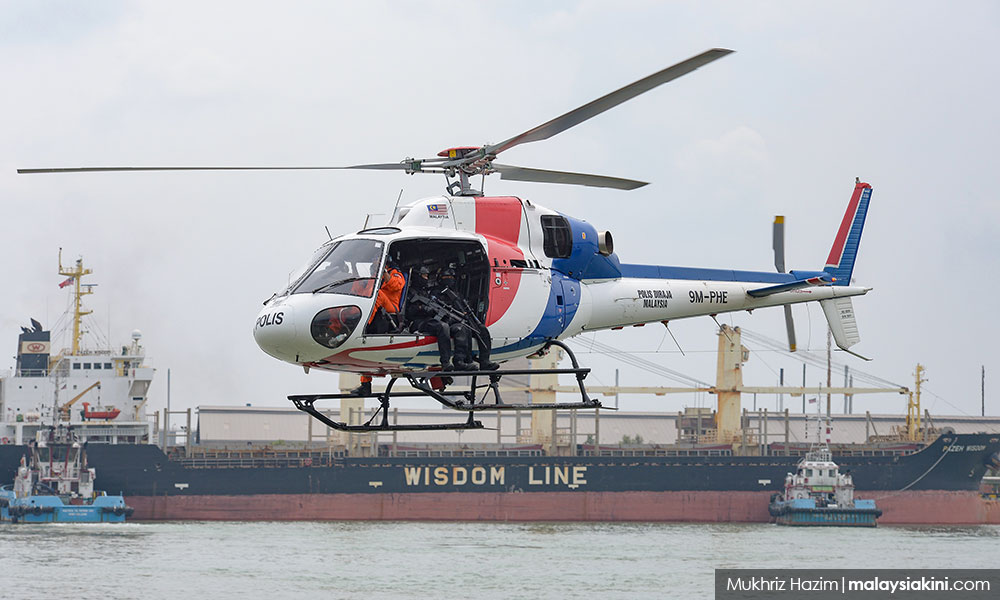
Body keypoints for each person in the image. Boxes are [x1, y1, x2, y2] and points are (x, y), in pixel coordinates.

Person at [437, 268, 499, 371]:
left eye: (451, 277)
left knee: (482, 329)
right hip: (449, 322)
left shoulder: (457, 294)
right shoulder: (436, 293)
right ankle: (460, 361)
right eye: (447, 277)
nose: (450, 279)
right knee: (461, 329)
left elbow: (464, 306)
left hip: (462, 319)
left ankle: (485, 361)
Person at [407, 266, 458, 370]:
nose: (426, 279)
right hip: (417, 322)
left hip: (428, 320)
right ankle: (445, 362)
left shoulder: (426, 292)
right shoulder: (410, 292)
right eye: (424, 276)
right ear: (418, 276)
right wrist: (422, 308)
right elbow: (407, 312)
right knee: (443, 326)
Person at [367, 259, 406, 333]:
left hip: (391, 306)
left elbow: (396, 286)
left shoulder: (396, 274)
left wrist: (383, 271)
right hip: (378, 304)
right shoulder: (376, 276)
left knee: (377, 293)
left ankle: (365, 323)